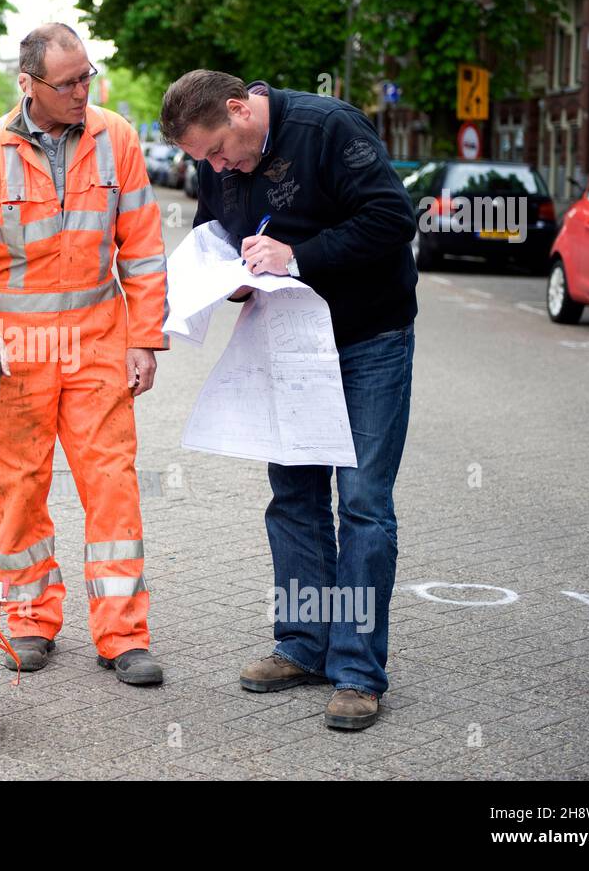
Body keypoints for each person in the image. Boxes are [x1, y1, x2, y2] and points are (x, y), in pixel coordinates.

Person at [160, 69, 418, 729]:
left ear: (241, 108)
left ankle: (357, 670)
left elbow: (393, 218)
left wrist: (295, 257)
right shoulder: (221, 160)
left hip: (367, 337)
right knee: (295, 494)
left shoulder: (328, 127)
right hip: (290, 341)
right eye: (204, 161)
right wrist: (231, 277)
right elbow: (214, 228)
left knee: (362, 502)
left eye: (219, 151)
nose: (218, 167)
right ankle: (304, 644)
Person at [0, 23, 169, 685]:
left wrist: (146, 338)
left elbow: (145, 247)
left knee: (113, 489)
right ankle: (30, 619)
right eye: (67, 82)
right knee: (18, 494)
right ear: (29, 84)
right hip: (15, 355)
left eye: (87, 76)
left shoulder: (116, 137)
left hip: (98, 343)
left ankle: (123, 634)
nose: (81, 90)